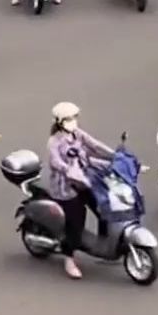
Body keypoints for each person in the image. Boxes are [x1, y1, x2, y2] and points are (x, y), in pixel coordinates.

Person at [46, 101, 114, 279]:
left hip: (84, 180)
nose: (73, 121)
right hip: (65, 188)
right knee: (76, 221)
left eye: (75, 117)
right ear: (60, 121)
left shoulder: (77, 135)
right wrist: (68, 170)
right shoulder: (55, 141)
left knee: (104, 205)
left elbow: (95, 146)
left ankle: (105, 245)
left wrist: (116, 156)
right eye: (69, 119)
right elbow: (55, 162)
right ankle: (69, 259)